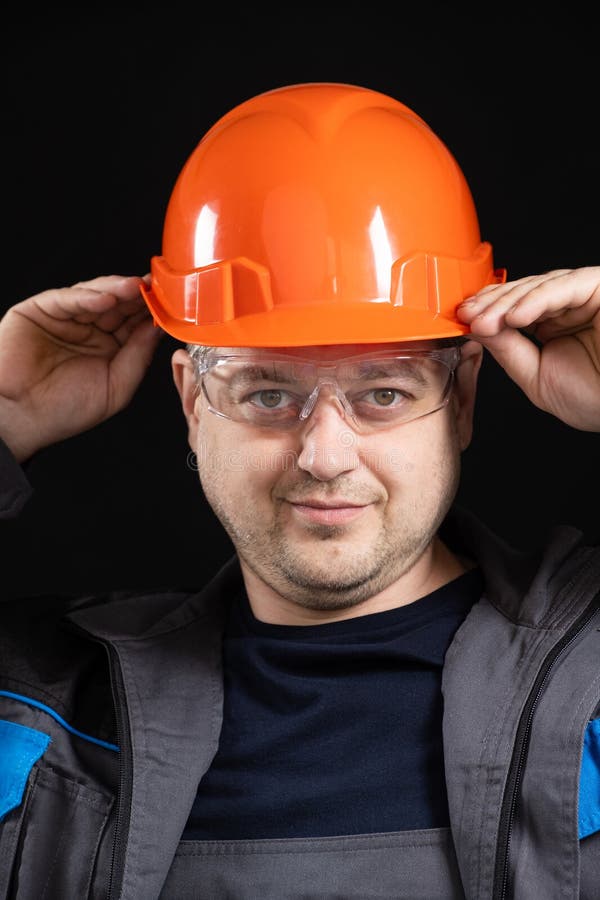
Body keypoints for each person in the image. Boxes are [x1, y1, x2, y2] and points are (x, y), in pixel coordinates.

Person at [0, 82, 598, 900]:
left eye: (383, 393)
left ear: (460, 400)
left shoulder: (591, 679)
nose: (323, 455)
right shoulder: (44, 710)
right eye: (267, 395)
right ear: (192, 404)